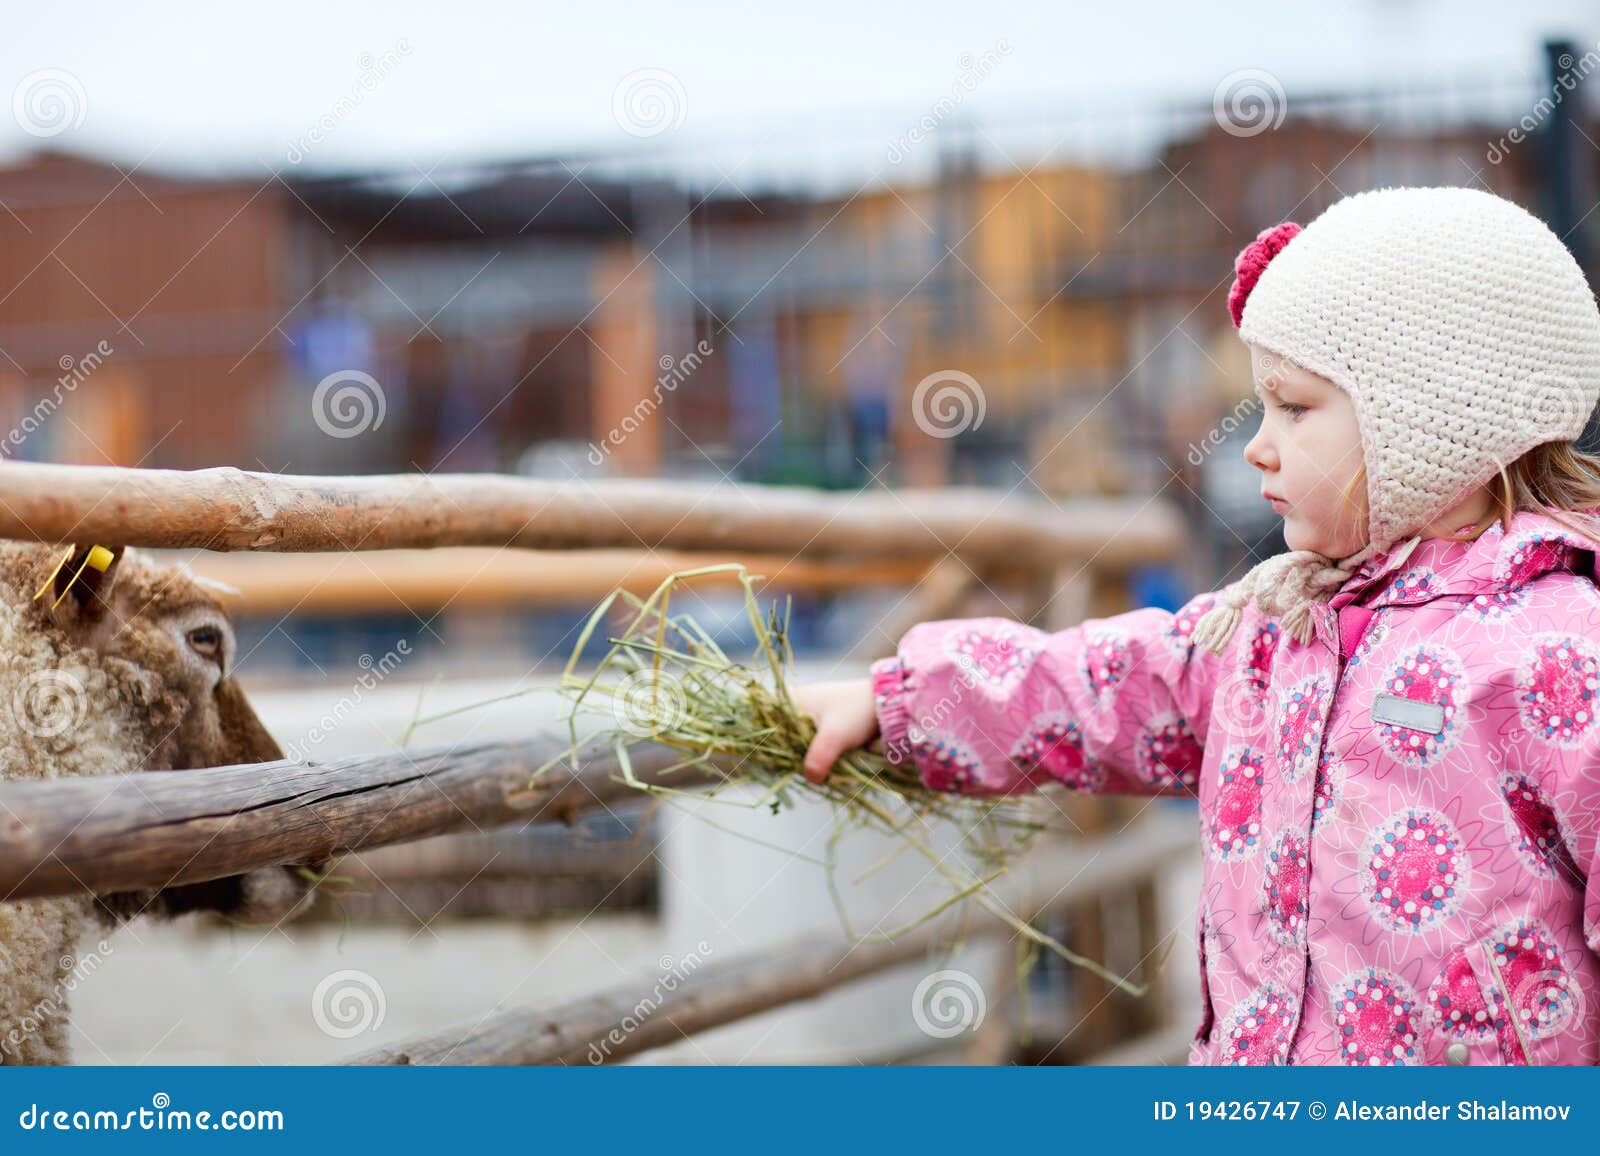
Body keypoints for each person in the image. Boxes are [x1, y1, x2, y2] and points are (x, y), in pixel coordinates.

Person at [792, 186, 1600, 1066]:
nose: (1258, 443)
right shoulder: (1270, 629)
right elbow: (1108, 687)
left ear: (1430, 419)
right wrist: (902, 699)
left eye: (1295, 408)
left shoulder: (1557, 652)